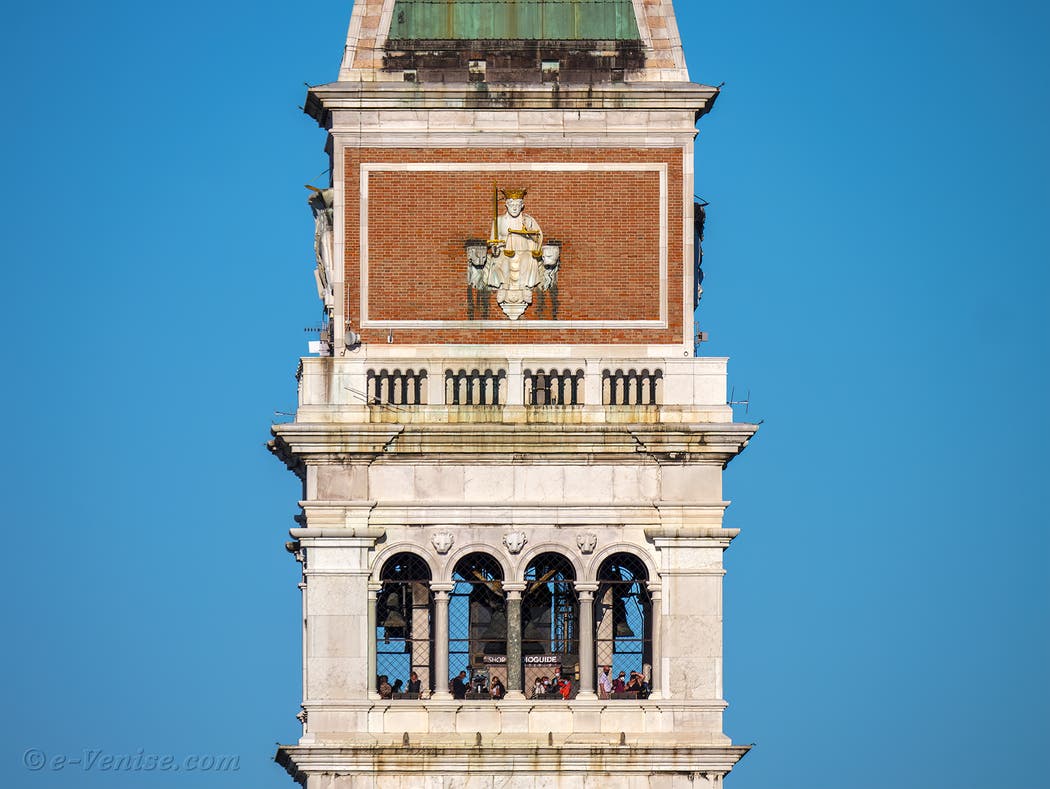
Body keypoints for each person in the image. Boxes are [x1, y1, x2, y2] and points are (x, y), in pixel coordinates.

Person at [486, 188, 543, 290]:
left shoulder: (528, 220)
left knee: (528, 260)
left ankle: (524, 287)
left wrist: (529, 230)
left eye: (517, 205)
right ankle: (504, 287)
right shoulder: (499, 221)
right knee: (503, 263)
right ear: (507, 205)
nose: (515, 208)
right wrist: (495, 248)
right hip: (506, 251)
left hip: (524, 251)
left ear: (522, 206)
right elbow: (493, 241)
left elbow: (538, 239)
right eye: (512, 205)